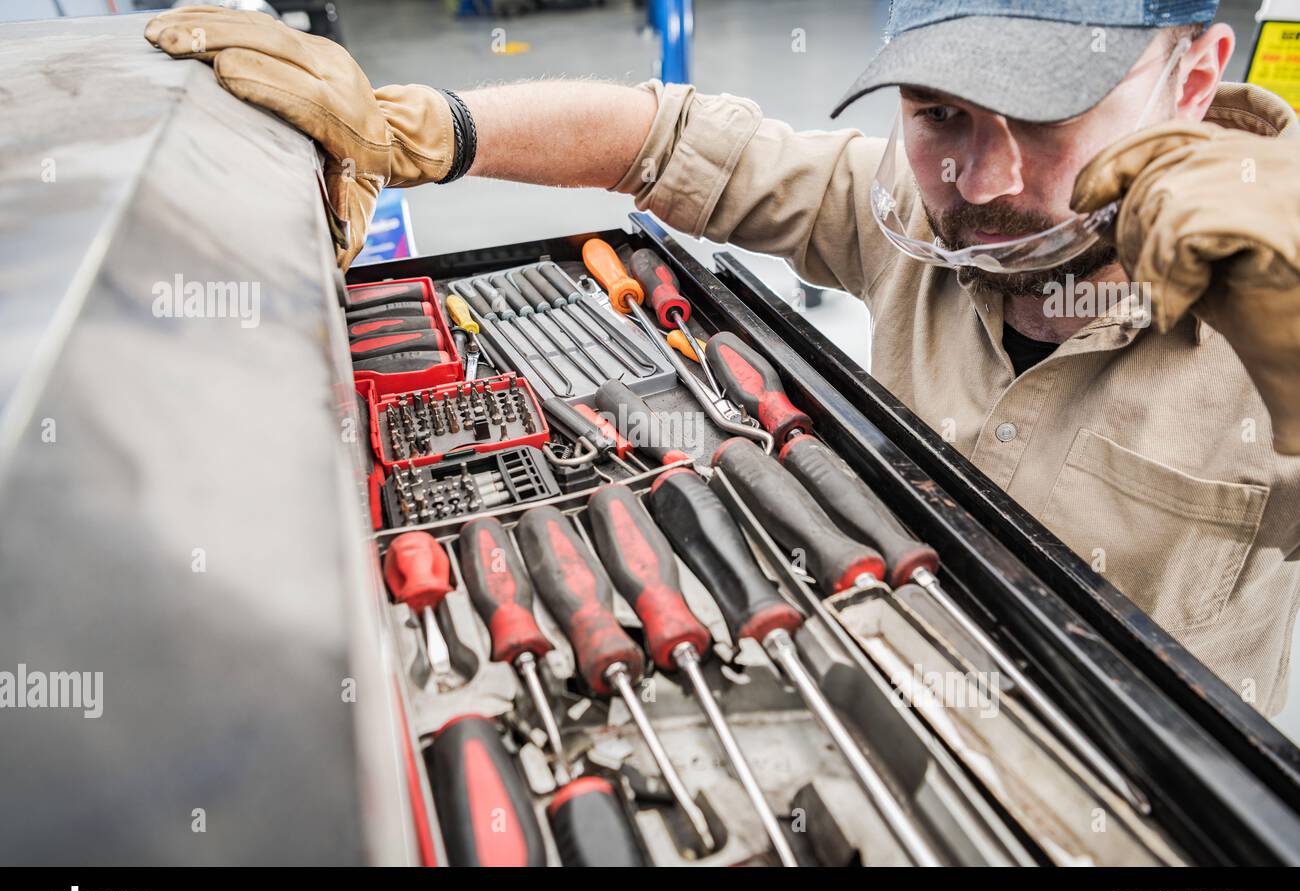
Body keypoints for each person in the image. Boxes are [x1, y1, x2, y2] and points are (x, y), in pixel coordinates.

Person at [144, 1, 1300, 715]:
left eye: (1043, 122)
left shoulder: (1275, 309)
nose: (978, 182)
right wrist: (435, 132)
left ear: (1190, 78)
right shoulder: (904, 207)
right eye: (939, 112)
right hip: (896, 685)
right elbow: (682, 141)